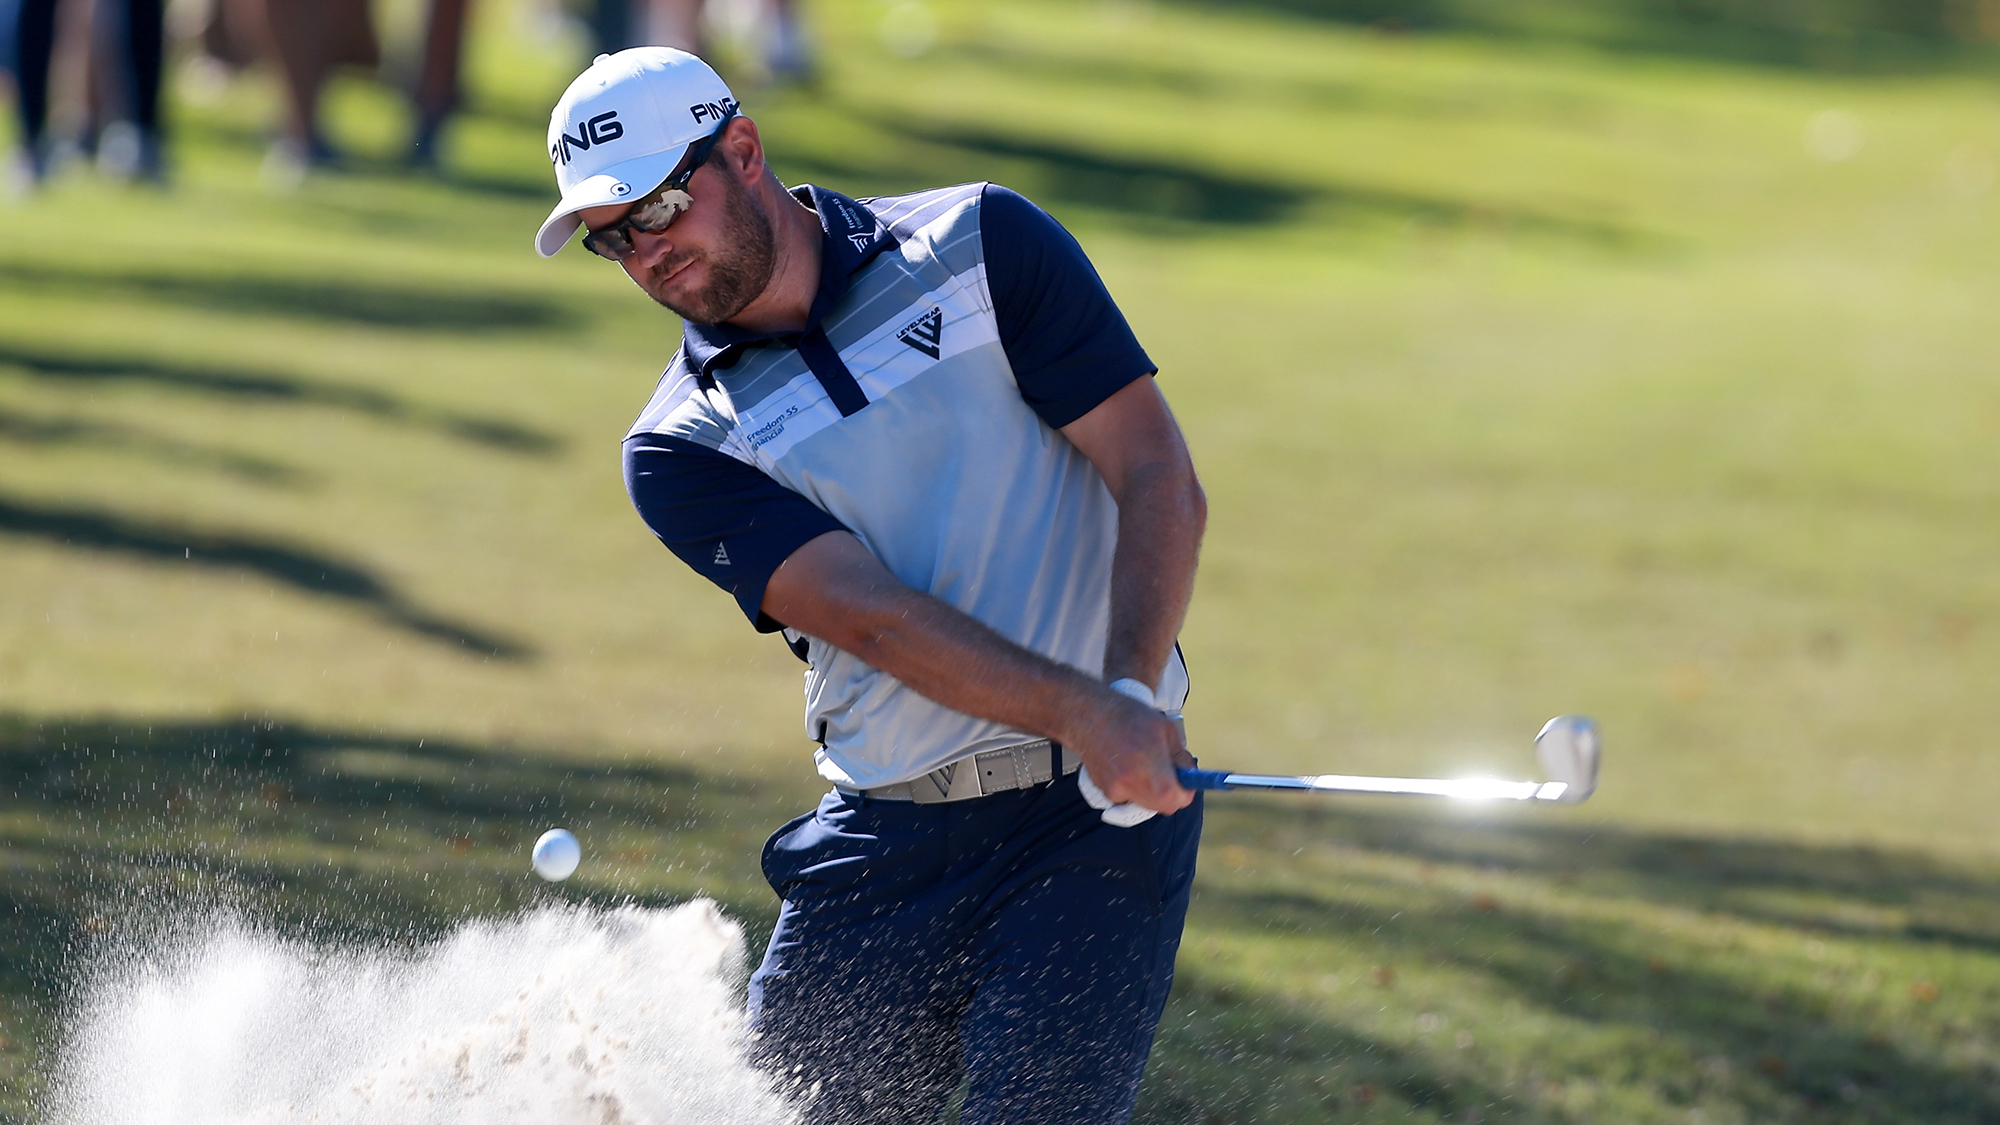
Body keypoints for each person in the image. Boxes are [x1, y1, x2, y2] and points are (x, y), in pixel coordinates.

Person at [534, 48, 1207, 1124]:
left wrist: (1128, 696)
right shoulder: (680, 445)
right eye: (611, 238)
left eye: (659, 204)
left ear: (743, 150)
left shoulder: (980, 244)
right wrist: (1094, 710)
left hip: (1094, 821)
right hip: (888, 844)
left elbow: (1153, 470)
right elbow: (876, 621)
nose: (645, 251)